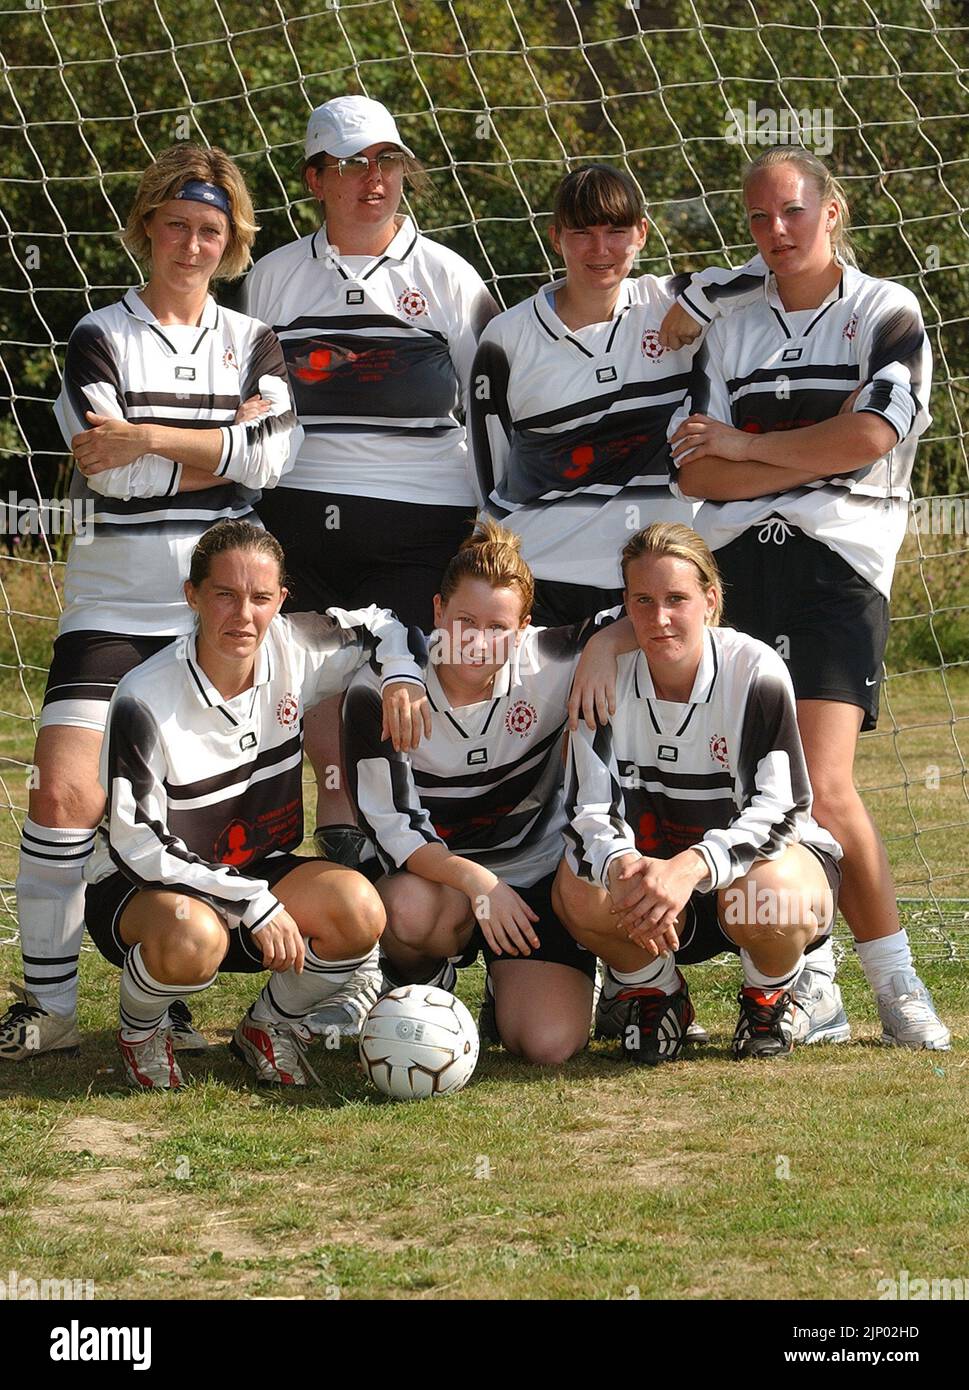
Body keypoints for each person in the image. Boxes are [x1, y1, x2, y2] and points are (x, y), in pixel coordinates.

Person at [0, 145, 303, 1064]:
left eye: (211, 229)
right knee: (64, 792)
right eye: (175, 224)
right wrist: (218, 439)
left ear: (232, 241)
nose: (192, 243)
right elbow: (117, 473)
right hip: (113, 607)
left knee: (194, 809)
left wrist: (150, 432)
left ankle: (168, 984)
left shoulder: (250, 338)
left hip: (218, 616)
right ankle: (47, 1007)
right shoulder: (98, 332)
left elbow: (275, 458)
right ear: (146, 230)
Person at [667, 147, 949, 1050]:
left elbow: (868, 436)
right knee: (756, 788)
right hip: (736, 564)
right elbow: (693, 467)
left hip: (837, 563)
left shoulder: (885, 311)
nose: (775, 232)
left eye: (790, 212)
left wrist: (748, 449)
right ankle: (804, 984)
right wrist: (760, 455)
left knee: (825, 789)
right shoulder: (732, 327)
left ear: (831, 212)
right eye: (757, 219)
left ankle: (896, 987)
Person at [244, 93, 499, 1026]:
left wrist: (485, 533)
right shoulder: (271, 279)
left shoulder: (448, 276)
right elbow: (257, 414)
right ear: (313, 178)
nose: (372, 180)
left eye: (385, 161)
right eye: (349, 165)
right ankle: (340, 932)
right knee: (308, 708)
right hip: (298, 526)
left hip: (420, 526)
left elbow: (486, 412)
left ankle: (416, 935)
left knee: (390, 706)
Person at [82, 519, 429, 1090]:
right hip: (144, 888)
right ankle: (140, 1031)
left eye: (260, 598)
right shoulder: (143, 696)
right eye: (225, 595)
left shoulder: (295, 650)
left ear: (281, 601)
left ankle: (269, 1027)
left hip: (254, 873)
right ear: (192, 595)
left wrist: (400, 676)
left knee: (361, 910)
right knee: (196, 936)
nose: (243, 615)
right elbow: (135, 843)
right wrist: (252, 901)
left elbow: (383, 624)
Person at [340, 520, 641, 1064]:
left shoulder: (549, 660)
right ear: (436, 612)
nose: (478, 641)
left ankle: (510, 990)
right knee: (404, 909)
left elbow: (654, 612)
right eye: (464, 622)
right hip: (441, 885)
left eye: (499, 627)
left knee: (549, 1045)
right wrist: (478, 882)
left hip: (532, 878)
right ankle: (428, 988)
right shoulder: (382, 692)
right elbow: (394, 830)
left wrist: (603, 645)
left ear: (525, 628)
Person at [554, 523, 844, 1064]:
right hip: (657, 892)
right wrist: (621, 866)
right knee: (578, 887)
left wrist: (689, 867)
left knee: (771, 894)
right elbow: (587, 811)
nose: (659, 618)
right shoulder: (602, 675)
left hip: (748, 877)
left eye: (676, 599)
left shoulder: (755, 669)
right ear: (626, 605)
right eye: (643, 601)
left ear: (710, 600)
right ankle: (657, 993)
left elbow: (779, 812)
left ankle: (775, 994)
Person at [470, 164, 765, 627]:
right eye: (582, 232)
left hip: (651, 583)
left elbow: (780, 262)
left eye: (616, 230)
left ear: (642, 233)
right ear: (555, 237)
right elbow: (488, 480)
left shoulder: (670, 302)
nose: (600, 249)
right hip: (540, 578)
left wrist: (700, 302)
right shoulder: (505, 338)